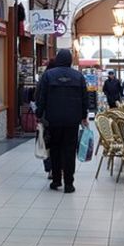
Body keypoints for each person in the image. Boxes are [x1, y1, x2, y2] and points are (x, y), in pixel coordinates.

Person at [35, 49, 88, 193]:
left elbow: (42, 97)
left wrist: (39, 114)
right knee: (70, 151)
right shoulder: (78, 76)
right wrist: (84, 116)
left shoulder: (48, 75)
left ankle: (56, 180)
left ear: (58, 59)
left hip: (54, 119)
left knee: (55, 149)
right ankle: (69, 183)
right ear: (70, 60)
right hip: (72, 120)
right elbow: (84, 99)